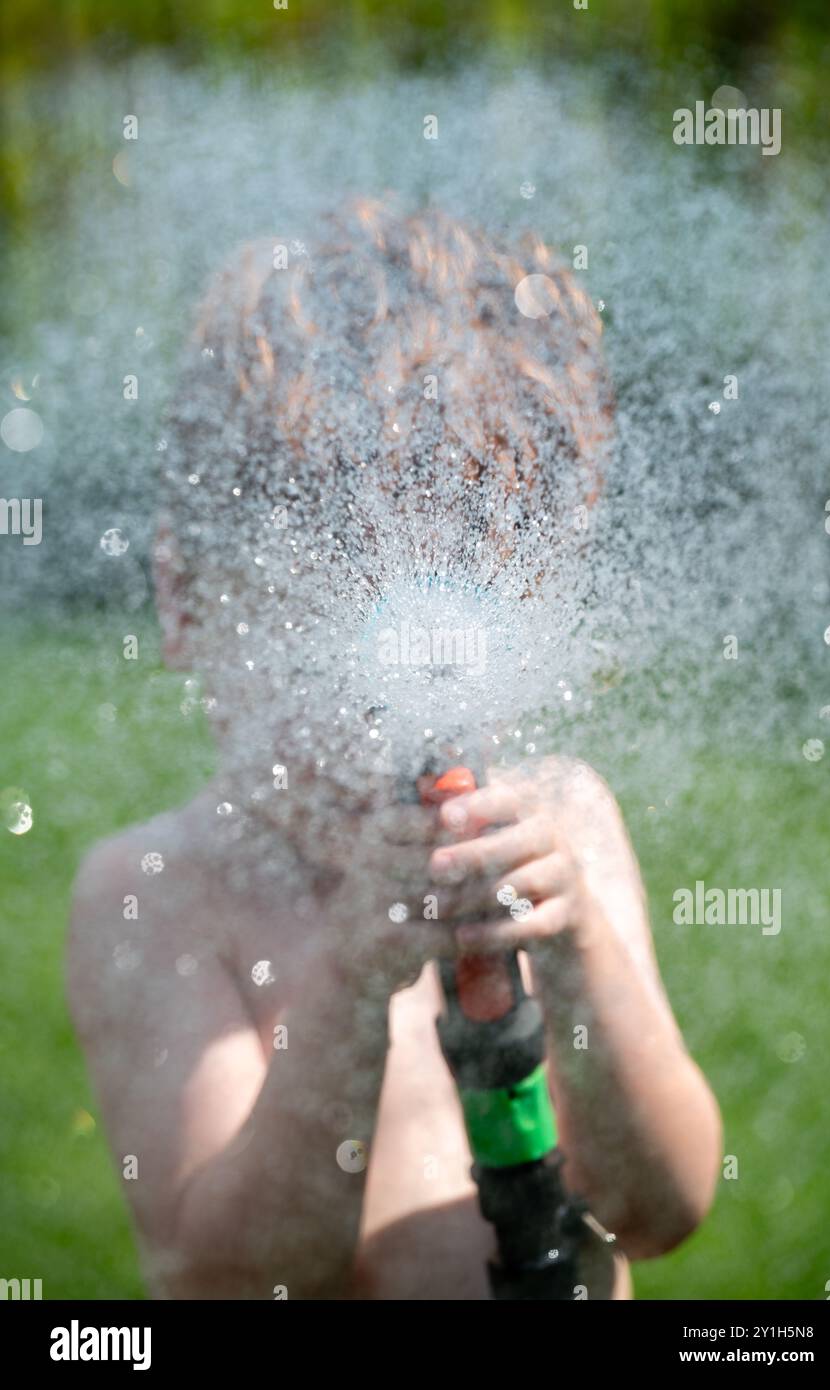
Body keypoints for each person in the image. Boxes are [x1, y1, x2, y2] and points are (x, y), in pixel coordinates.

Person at [67, 199, 722, 1299]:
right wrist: (350, 981)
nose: (395, 701)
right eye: (318, 625)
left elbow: (662, 1206)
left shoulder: (566, 822)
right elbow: (225, 1276)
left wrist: (578, 953)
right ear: (184, 598)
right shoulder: (161, 894)